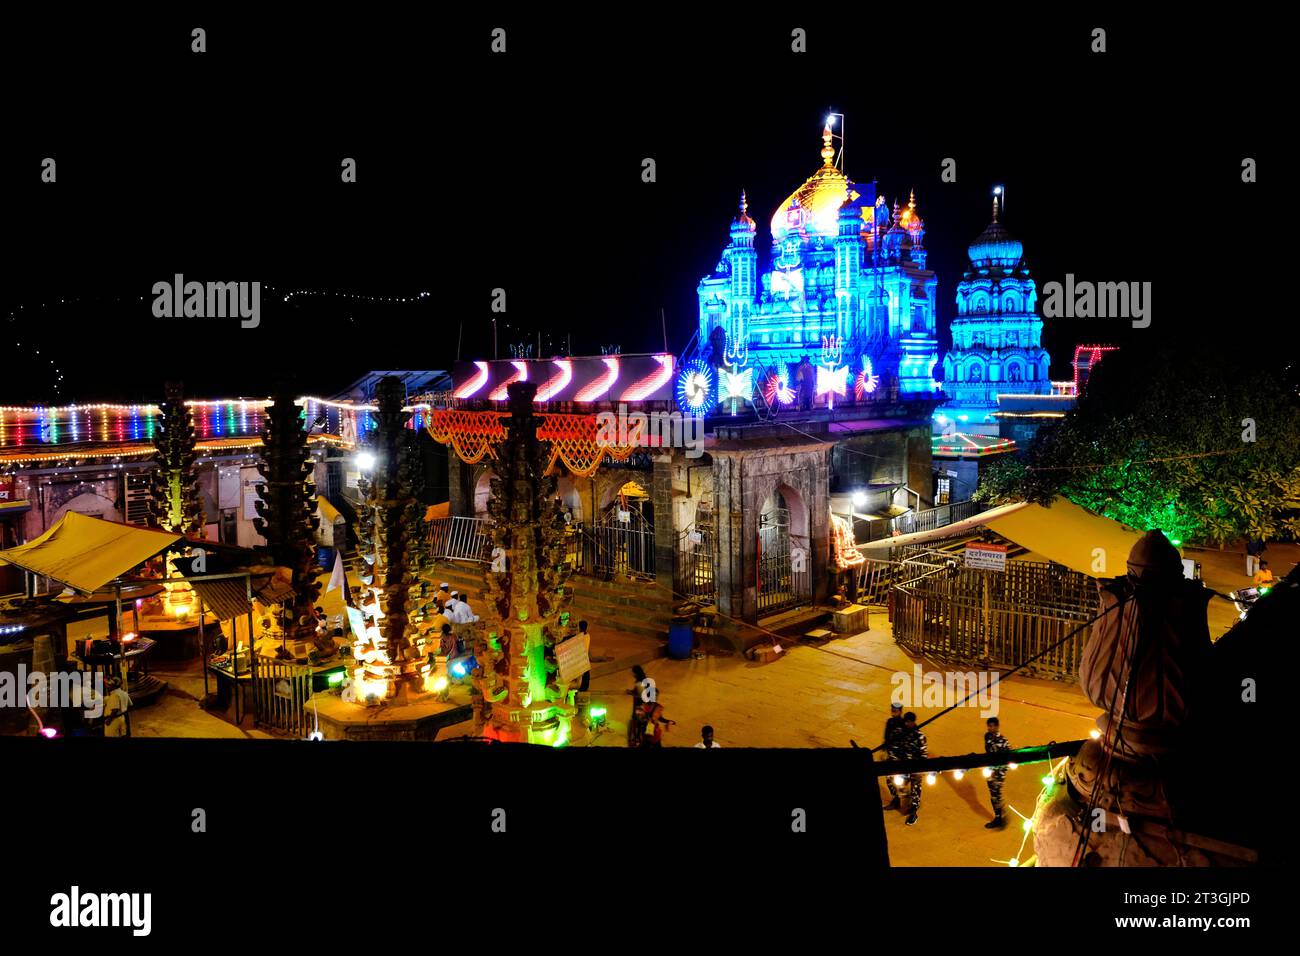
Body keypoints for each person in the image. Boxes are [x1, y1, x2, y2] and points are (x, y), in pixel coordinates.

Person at [897, 712, 928, 826]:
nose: (907, 723)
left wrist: (920, 769)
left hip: (916, 768)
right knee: (899, 786)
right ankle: (904, 800)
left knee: (915, 790)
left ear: (913, 722)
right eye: (906, 721)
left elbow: (923, 754)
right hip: (904, 766)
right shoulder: (902, 733)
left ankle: (913, 812)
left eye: (909, 722)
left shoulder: (919, 736)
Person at [983, 717, 1011, 829]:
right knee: (993, 795)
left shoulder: (1004, 742)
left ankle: (999, 818)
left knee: (996, 794)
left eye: (992, 726)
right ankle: (999, 812)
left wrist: (998, 773)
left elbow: (1008, 759)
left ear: (997, 726)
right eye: (989, 726)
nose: (990, 728)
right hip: (990, 770)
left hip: (999, 773)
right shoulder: (987, 736)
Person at [881, 702, 907, 810]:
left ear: (900, 711)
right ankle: (896, 799)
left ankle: (905, 800)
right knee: (889, 779)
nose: (893, 713)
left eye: (895, 711)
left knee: (900, 779)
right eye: (892, 710)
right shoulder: (890, 722)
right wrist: (885, 749)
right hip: (891, 755)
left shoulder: (904, 724)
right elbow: (886, 737)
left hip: (901, 757)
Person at [576, 620, 592, 694]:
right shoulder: (587, 635)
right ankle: (585, 687)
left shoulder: (580, 637)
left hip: (581, 657)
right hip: (586, 657)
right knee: (586, 673)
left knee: (582, 674)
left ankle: (582, 688)